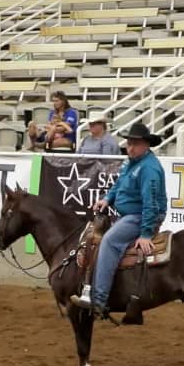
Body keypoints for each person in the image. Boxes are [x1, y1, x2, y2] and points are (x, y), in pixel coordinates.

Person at [71, 121, 168, 319]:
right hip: (130, 214)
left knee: (109, 241)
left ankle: (98, 300)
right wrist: (107, 199)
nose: (129, 148)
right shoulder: (131, 162)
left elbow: (150, 204)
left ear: (146, 145)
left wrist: (146, 233)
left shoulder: (149, 169)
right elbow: (118, 186)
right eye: (129, 143)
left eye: (135, 144)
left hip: (140, 215)